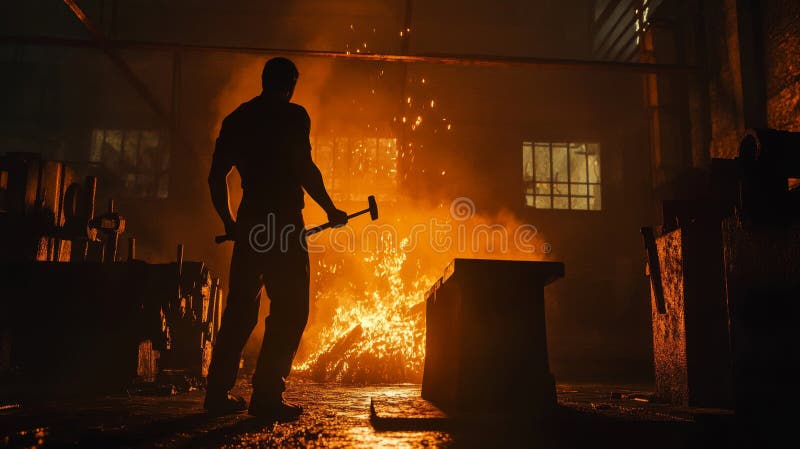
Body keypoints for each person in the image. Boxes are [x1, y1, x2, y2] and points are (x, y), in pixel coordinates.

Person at [204, 57, 347, 418]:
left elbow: (215, 176)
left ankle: (217, 394)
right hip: (283, 225)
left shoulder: (238, 118)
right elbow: (304, 169)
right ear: (291, 84)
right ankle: (266, 394)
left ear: (264, 80)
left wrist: (230, 221)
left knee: (239, 312)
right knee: (291, 309)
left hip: (252, 223)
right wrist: (330, 209)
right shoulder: (293, 116)